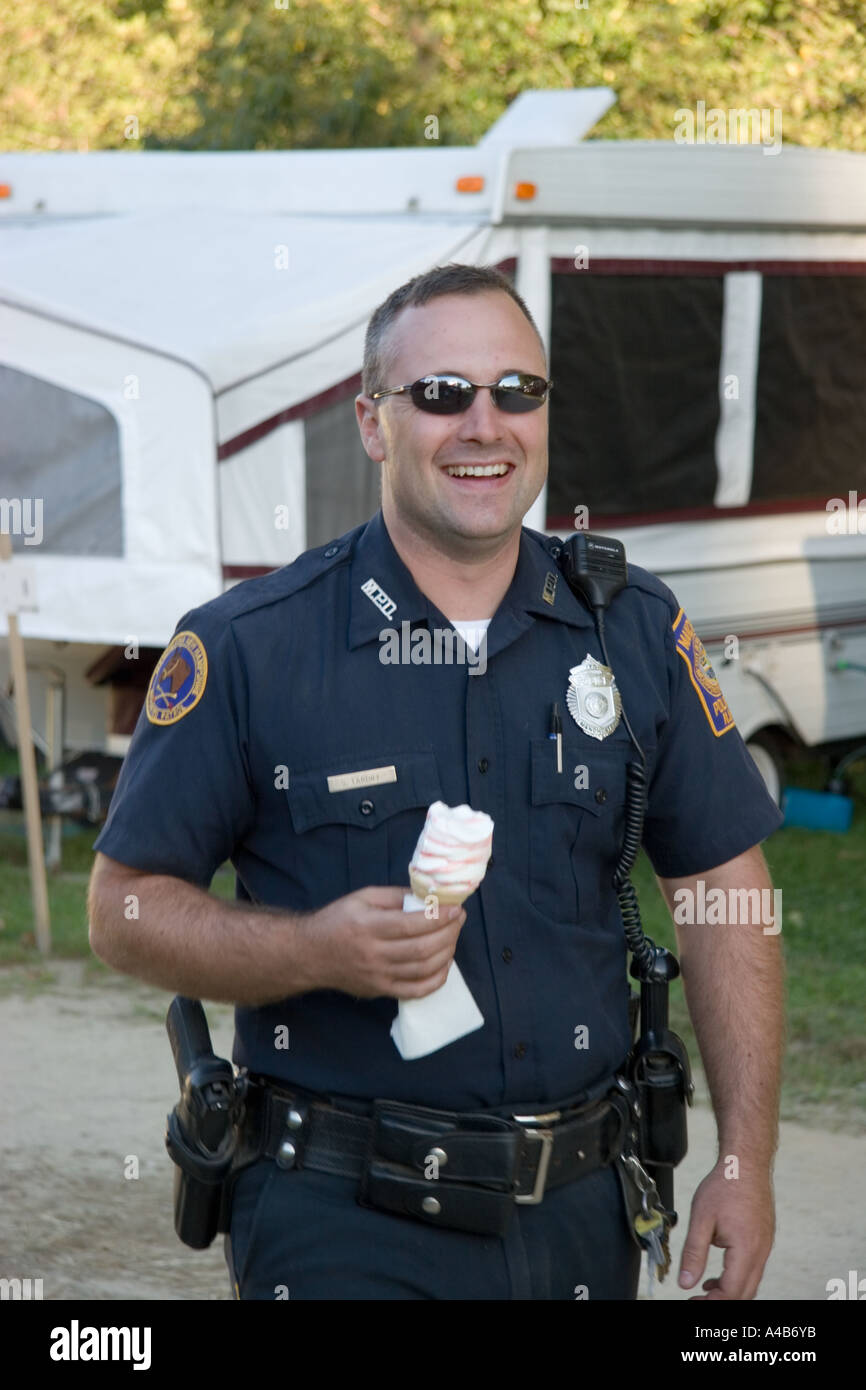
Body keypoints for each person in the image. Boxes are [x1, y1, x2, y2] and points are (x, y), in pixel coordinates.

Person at [88, 262, 784, 1301]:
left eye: (516, 391)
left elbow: (723, 891)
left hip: (582, 1216)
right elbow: (123, 909)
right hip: (341, 1216)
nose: (484, 424)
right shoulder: (249, 647)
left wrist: (743, 1161)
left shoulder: (631, 626)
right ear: (372, 423)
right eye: (442, 393)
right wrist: (315, 949)